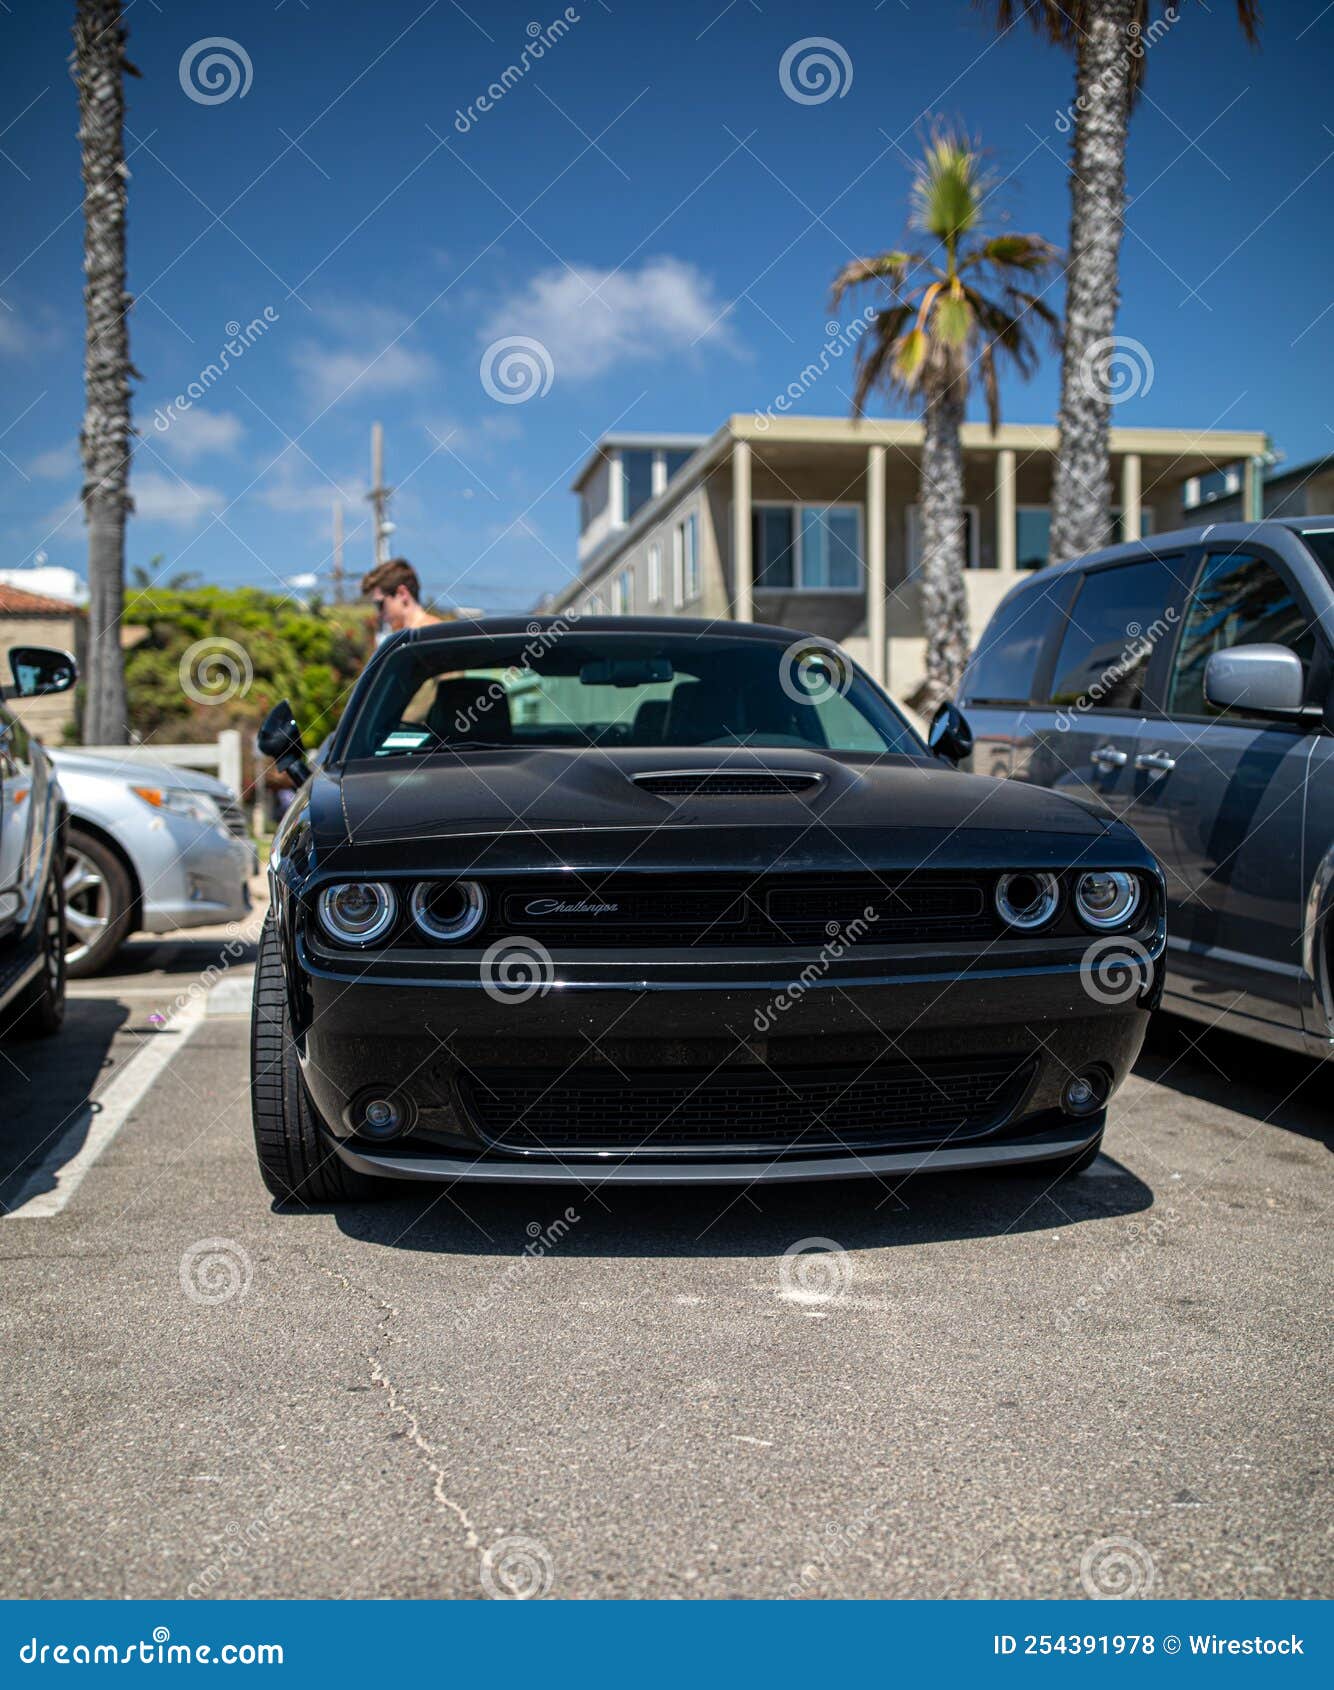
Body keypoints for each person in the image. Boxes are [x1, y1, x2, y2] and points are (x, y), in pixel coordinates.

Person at [361, 558, 442, 639]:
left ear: (402, 593)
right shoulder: (406, 639)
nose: (379, 614)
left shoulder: (433, 635)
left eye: (380, 604)